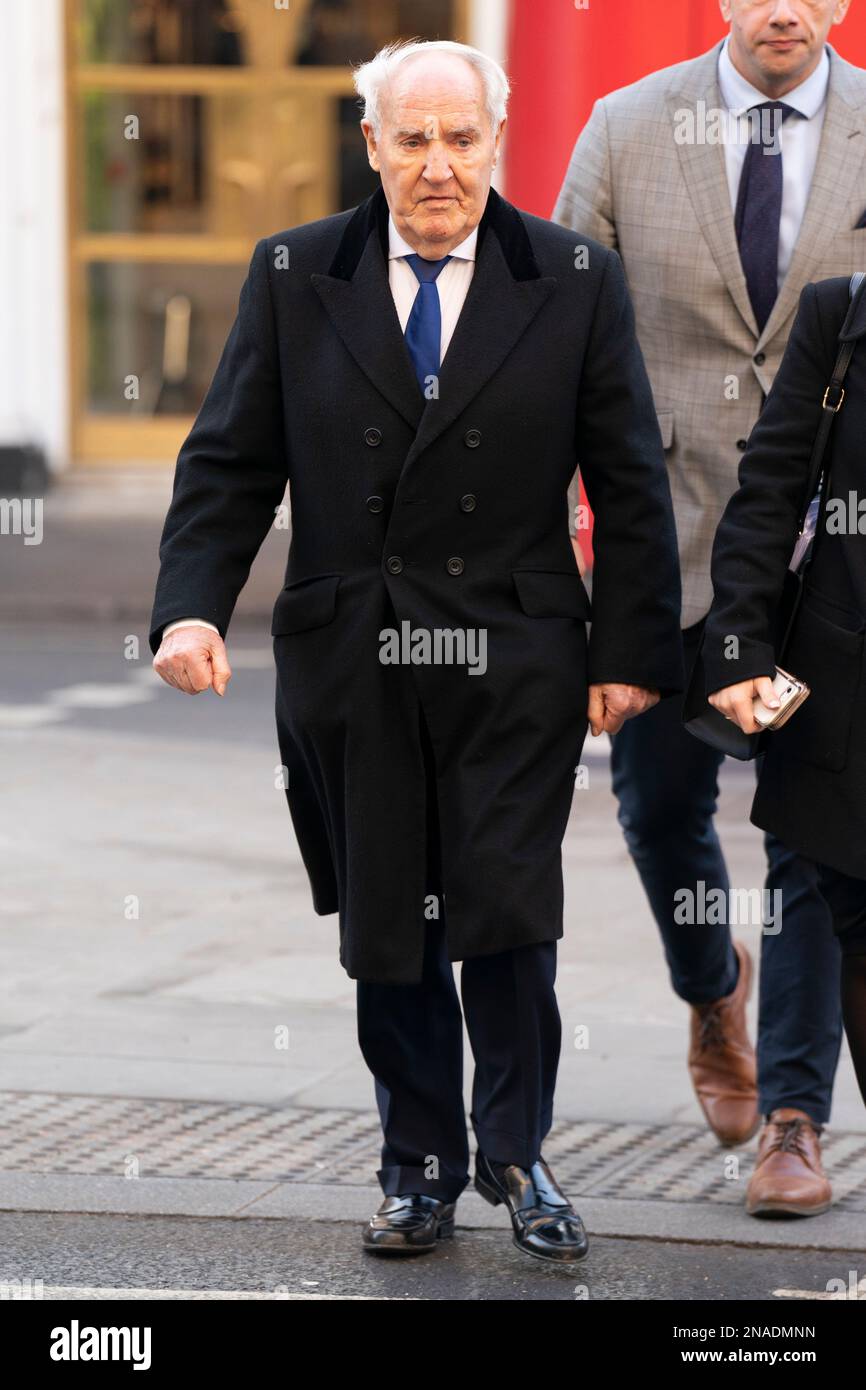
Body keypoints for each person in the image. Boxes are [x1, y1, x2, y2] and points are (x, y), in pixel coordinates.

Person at [148, 39, 682, 1263]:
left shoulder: (571, 275)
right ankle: (417, 1170)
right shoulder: (294, 273)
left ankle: (517, 1153)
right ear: (372, 144)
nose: (438, 165)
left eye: (461, 139)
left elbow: (630, 480)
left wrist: (628, 650)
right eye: (413, 139)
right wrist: (189, 608)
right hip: (354, 658)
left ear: (495, 143)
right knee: (388, 925)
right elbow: (230, 458)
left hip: (516, 655)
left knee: (505, 910)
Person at [554, 0, 863, 1215]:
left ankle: (792, 1117)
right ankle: (706, 983)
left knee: (817, 837)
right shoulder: (625, 127)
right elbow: (553, 328)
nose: (782, 7)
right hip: (665, 540)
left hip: (833, 563)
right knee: (656, 802)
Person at [703, 272, 866, 1124]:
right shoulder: (840, 315)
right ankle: (795, 1118)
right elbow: (768, 490)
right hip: (849, 705)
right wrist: (738, 646)